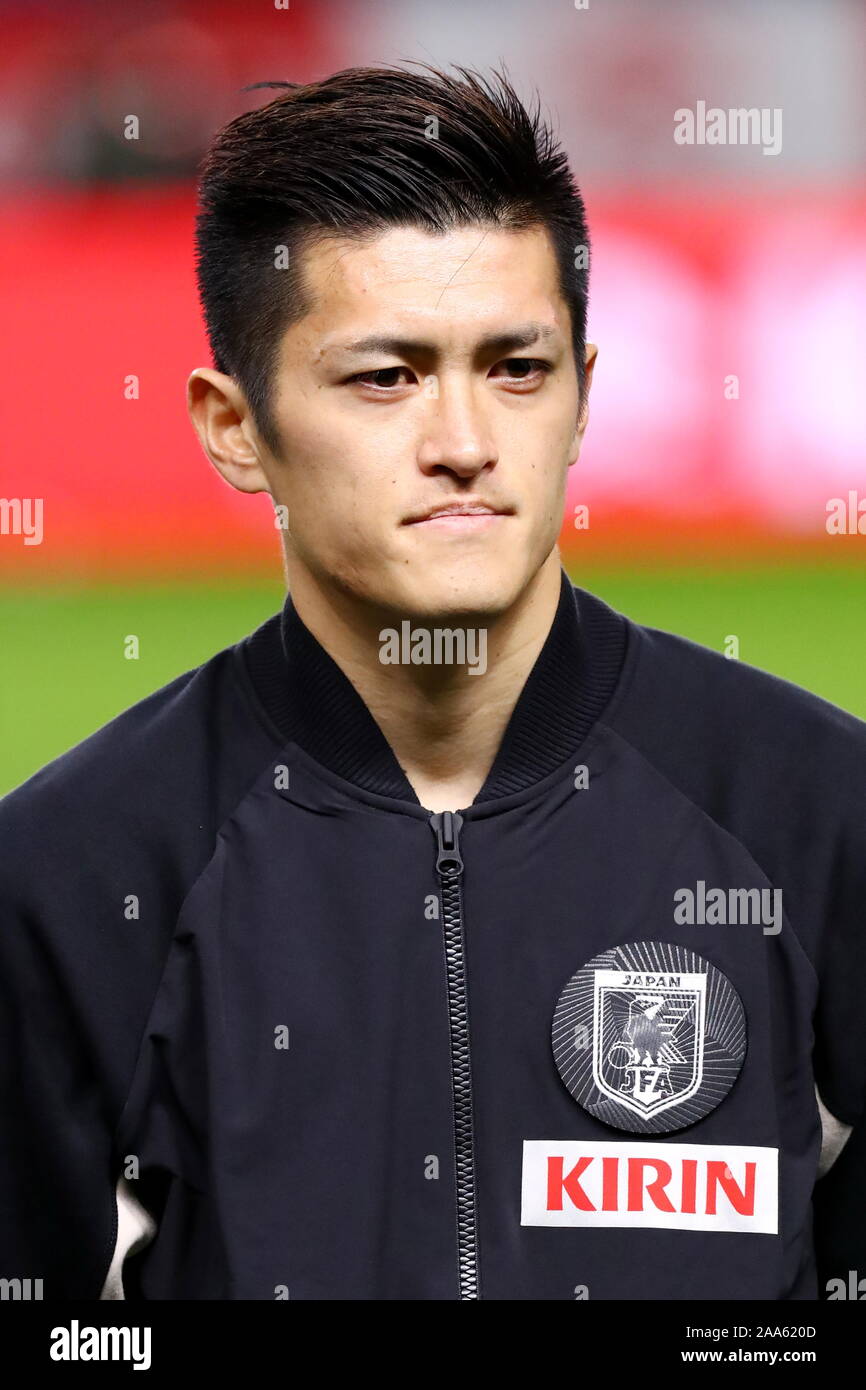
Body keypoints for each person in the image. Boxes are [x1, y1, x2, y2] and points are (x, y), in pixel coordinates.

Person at [1, 62, 863, 1302]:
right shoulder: (70, 874)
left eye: (516, 367)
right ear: (232, 427)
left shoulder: (819, 817)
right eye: (384, 377)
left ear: (582, 397)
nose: (464, 441)